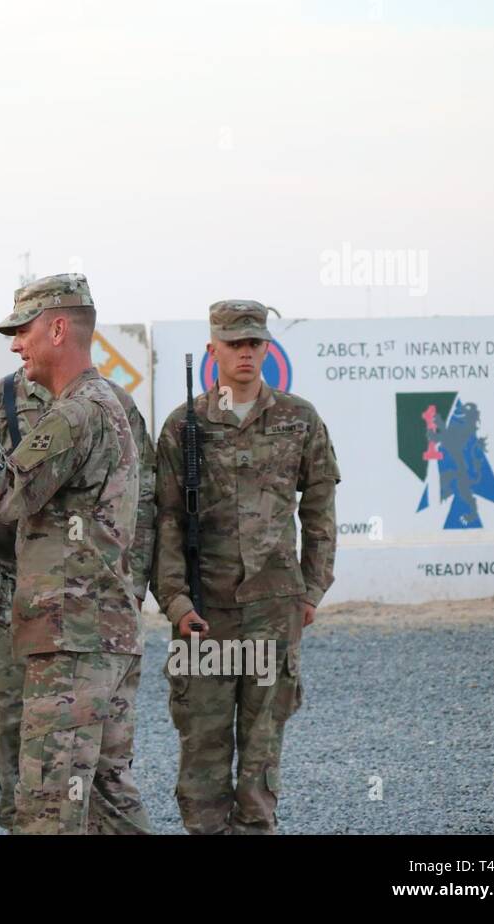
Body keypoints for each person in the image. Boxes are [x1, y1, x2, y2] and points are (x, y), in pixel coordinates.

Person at [0, 273, 151, 835]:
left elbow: (4, 493)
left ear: (59, 328)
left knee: (48, 810)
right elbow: (38, 527)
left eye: (22, 331)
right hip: (96, 634)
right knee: (106, 801)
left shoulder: (76, 413)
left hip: (72, 639)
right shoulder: (98, 405)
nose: (14, 345)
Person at [153, 300, 340, 835]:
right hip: (205, 612)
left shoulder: (298, 420)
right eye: (233, 343)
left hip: (273, 608)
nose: (245, 352)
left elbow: (320, 511)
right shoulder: (183, 427)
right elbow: (165, 523)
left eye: (253, 342)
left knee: (262, 748)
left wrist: (312, 591)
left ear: (266, 347)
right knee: (204, 747)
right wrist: (175, 600)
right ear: (213, 349)